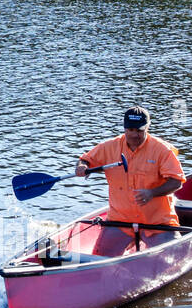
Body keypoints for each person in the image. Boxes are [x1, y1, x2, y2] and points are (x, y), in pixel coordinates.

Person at [75, 106, 185, 253]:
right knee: (99, 258)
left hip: (157, 223)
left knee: (175, 256)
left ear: (147, 128)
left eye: (139, 130)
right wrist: (82, 166)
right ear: (125, 128)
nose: (134, 135)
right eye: (130, 130)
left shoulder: (162, 150)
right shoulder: (110, 147)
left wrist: (152, 193)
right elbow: (85, 159)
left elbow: (176, 181)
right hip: (120, 221)